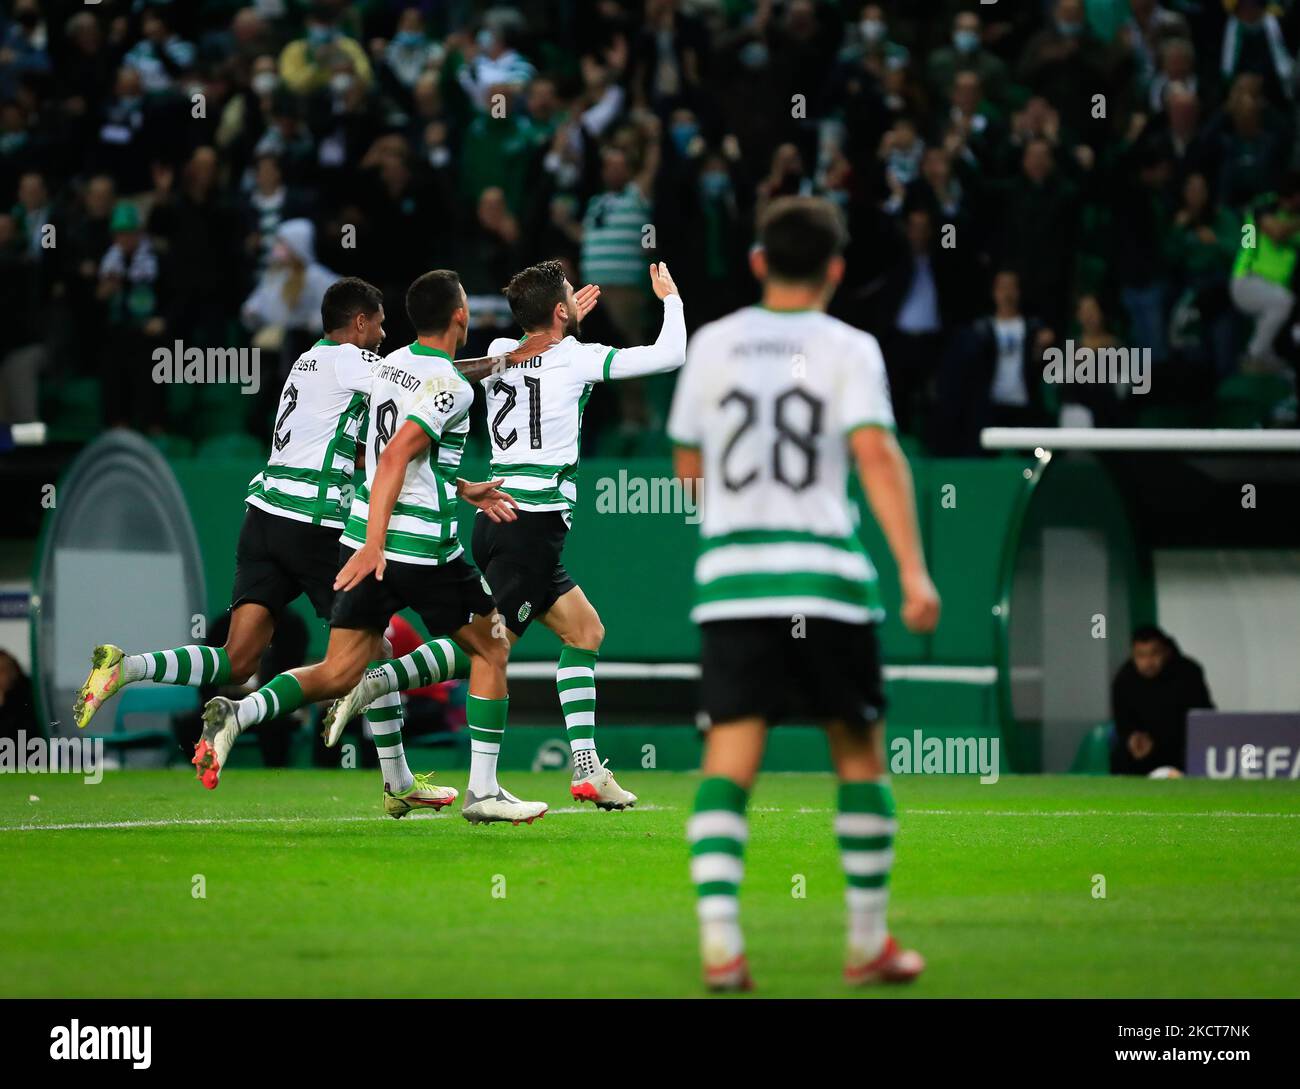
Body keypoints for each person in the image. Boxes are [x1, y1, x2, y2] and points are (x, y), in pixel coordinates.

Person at [668, 196, 941, 991]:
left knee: (729, 759)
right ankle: (867, 943)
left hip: (733, 585)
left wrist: (728, 525)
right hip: (827, 582)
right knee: (857, 755)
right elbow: (877, 455)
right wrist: (914, 570)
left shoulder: (712, 344)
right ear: (836, 270)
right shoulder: (849, 347)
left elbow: (688, 463)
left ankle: (722, 944)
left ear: (758, 261)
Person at [327, 259, 685, 811]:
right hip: (530, 527)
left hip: (497, 518)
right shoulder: (580, 357)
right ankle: (379, 685)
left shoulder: (498, 353)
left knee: (585, 630)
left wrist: (559, 320)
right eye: (568, 297)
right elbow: (670, 354)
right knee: (487, 647)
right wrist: (671, 299)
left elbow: (471, 366)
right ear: (561, 310)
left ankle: (588, 768)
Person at [198, 270, 546, 826]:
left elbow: (410, 436)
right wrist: (379, 544)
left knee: (339, 672)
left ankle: (239, 713)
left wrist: (460, 487)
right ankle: (483, 792)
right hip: (420, 549)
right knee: (493, 648)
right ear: (461, 315)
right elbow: (396, 455)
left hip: (357, 535)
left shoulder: (391, 366)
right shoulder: (447, 387)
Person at [1111, 626, 1214, 776]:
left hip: (1181, 744)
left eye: (1154, 653)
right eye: (1141, 655)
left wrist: (1163, 739)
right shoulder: (1124, 679)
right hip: (1145, 749)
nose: (1148, 662)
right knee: (1120, 754)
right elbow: (1123, 721)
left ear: (1166, 652)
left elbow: (1202, 716)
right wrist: (1133, 738)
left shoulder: (1188, 674)